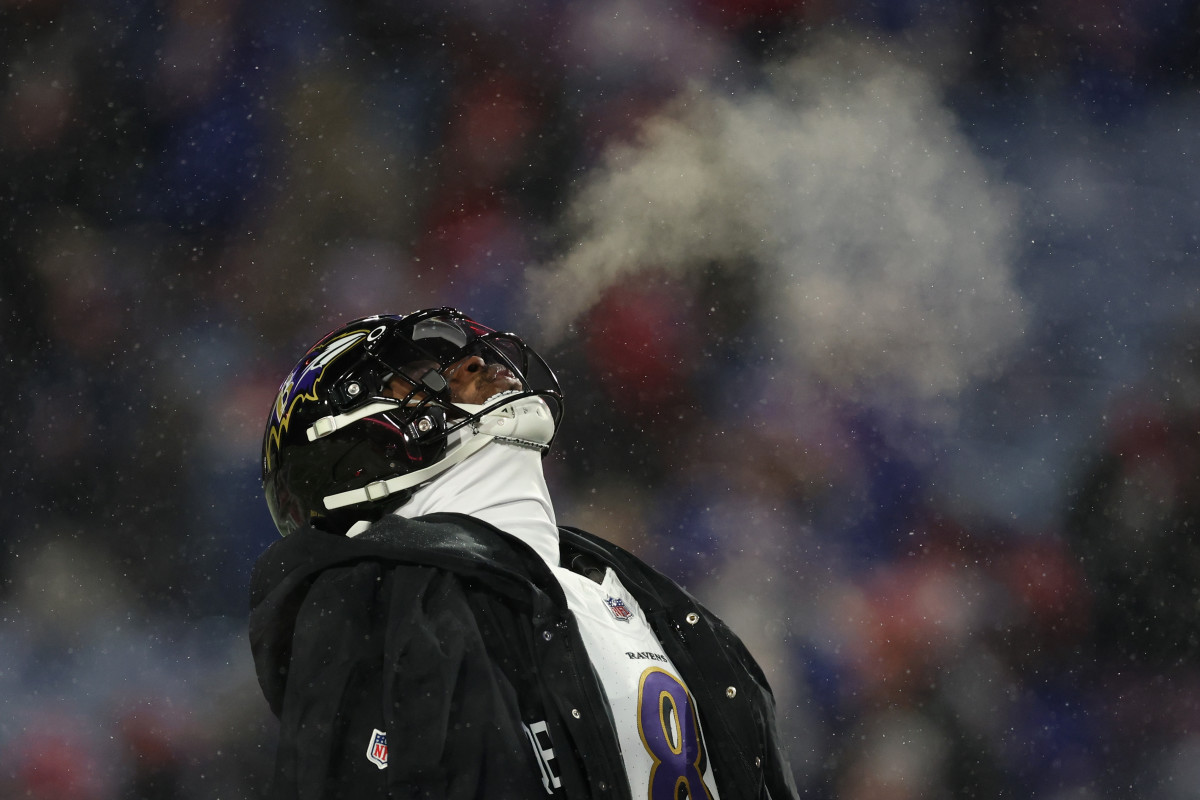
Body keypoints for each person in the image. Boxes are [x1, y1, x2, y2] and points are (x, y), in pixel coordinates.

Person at [250, 307, 800, 800]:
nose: (475, 364)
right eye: (421, 375)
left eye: (471, 353)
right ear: (347, 453)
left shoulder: (635, 594)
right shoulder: (374, 600)